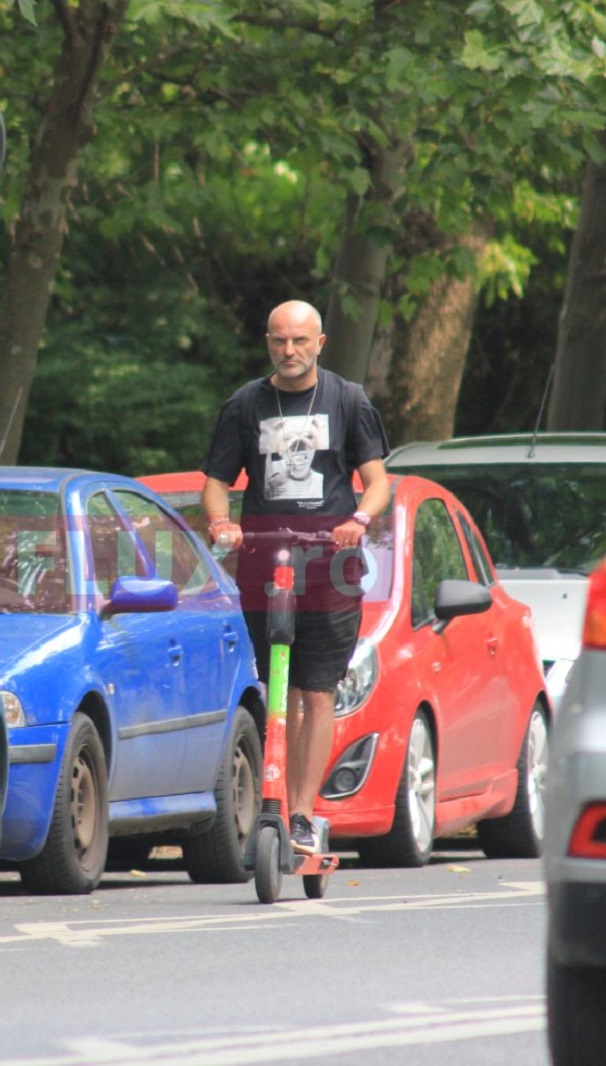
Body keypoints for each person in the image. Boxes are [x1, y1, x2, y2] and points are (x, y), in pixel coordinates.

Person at [199, 299, 391, 855]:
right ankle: (271, 801)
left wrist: (358, 520)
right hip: (264, 564)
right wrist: (221, 523)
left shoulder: (348, 400)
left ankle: (303, 813)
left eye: (300, 341)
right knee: (274, 688)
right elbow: (215, 481)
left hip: (331, 567)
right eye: (280, 341)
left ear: (319, 343)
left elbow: (377, 481)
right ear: (268, 342)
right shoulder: (244, 405)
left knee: (318, 691)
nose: (289, 351)